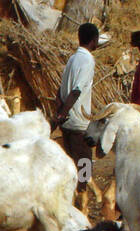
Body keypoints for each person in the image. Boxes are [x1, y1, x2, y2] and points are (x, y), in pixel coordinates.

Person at [52, 22, 100, 191]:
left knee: (71, 160)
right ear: (94, 40)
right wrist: (63, 113)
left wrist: (59, 114)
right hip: (78, 122)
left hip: (66, 123)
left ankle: (74, 191)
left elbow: (61, 88)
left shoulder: (73, 58)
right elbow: (76, 90)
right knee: (85, 160)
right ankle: (82, 191)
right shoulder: (88, 60)